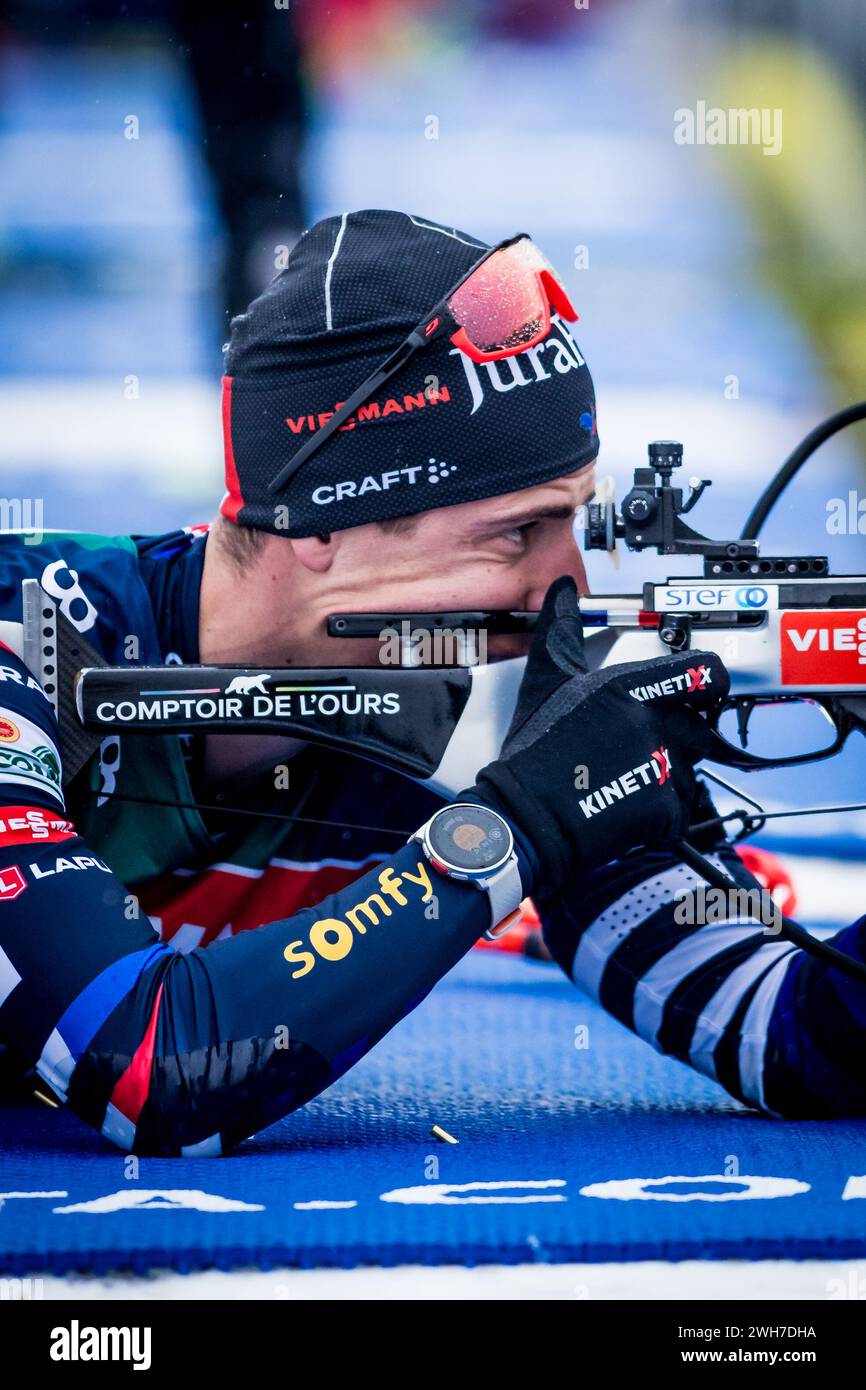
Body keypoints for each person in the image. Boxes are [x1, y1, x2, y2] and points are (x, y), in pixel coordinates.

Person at [0, 212, 853, 1158]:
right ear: (322, 525)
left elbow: (791, 1031)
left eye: (577, 519)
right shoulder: (23, 653)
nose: (565, 587)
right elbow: (150, 1067)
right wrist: (506, 836)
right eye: (514, 534)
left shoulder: (490, 691)